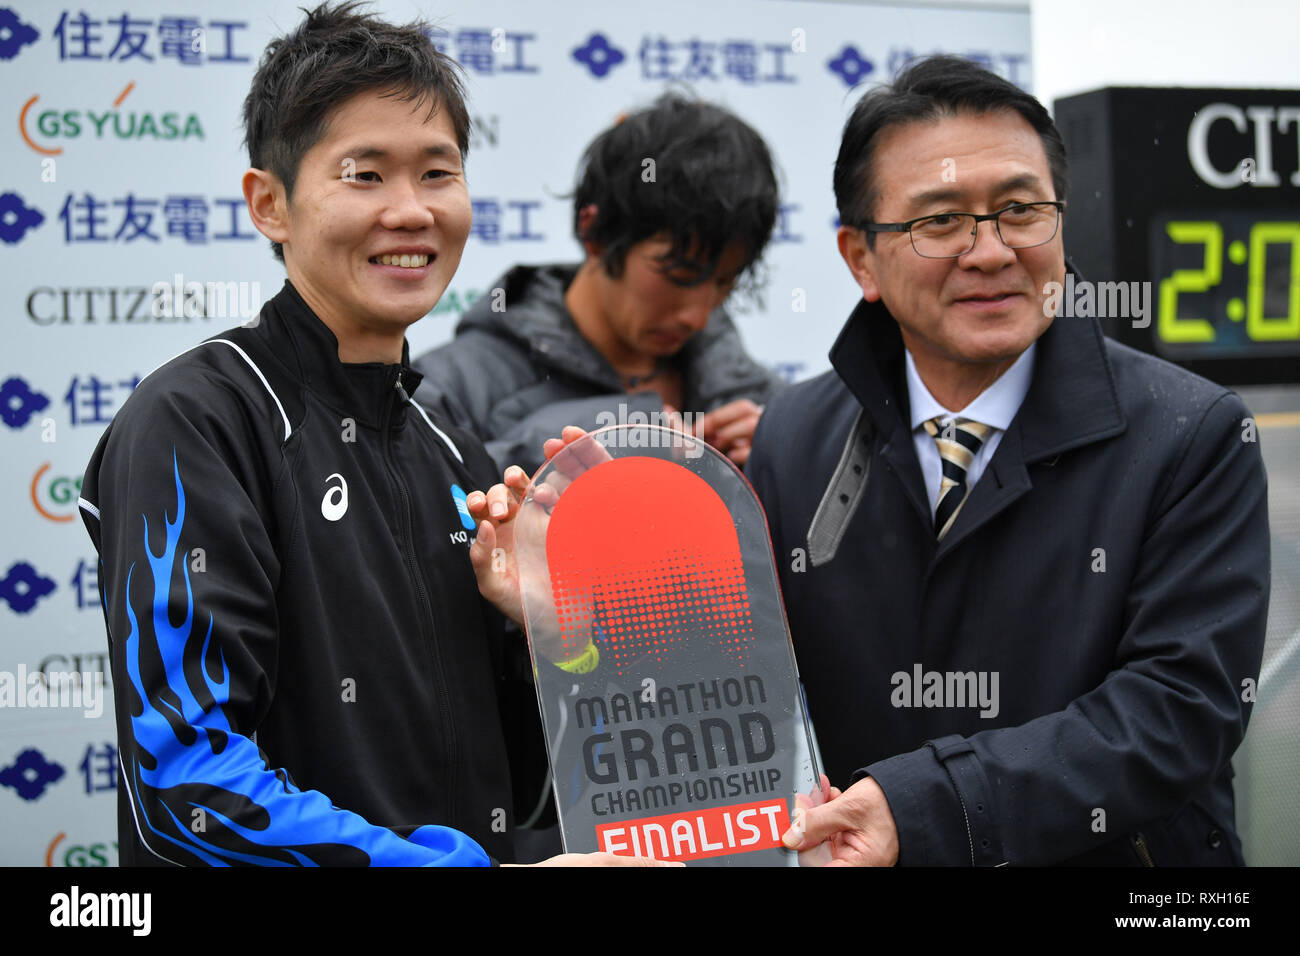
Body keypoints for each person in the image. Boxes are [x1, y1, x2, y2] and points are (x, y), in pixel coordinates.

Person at [79, 1, 663, 868]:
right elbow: (186, 790)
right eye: (365, 175)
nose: (412, 211)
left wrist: (558, 640)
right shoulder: (198, 420)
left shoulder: (453, 449)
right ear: (270, 204)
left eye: (437, 173)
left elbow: (534, 795)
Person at [749, 56, 1269, 865]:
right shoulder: (795, 434)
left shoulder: (1192, 434)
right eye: (941, 221)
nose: (990, 251)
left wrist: (925, 810)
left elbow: (1179, 713)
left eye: (1021, 210)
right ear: (861, 259)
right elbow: (753, 683)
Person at [413, 93, 784, 476]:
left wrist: (777, 462)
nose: (698, 316)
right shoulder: (453, 386)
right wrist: (614, 438)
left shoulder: (763, 407)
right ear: (595, 232)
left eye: (724, 282)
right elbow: (418, 493)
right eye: (680, 276)